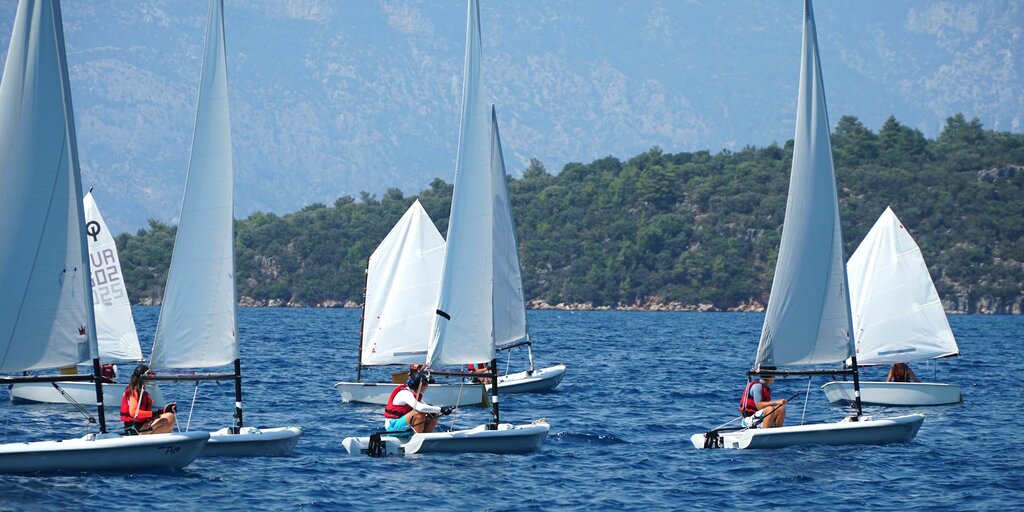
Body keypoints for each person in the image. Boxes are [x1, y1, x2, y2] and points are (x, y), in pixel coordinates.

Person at [383, 372, 452, 433]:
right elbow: (420, 408)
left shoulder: (414, 394)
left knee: (433, 413)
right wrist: (440, 409)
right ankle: (418, 438)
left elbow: (426, 407)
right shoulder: (405, 393)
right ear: (421, 385)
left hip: (401, 426)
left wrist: (440, 410)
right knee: (418, 414)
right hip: (392, 427)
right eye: (426, 384)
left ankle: (427, 436)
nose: (427, 386)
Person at [120, 364, 176, 435]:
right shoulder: (134, 391)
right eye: (149, 374)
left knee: (169, 416)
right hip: (134, 428)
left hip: (142, 425)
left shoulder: (142, 392)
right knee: (169, 417)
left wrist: (163, 410)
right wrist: (155, 413)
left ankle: (160, 442)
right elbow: (134, 413)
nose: (151, 377)